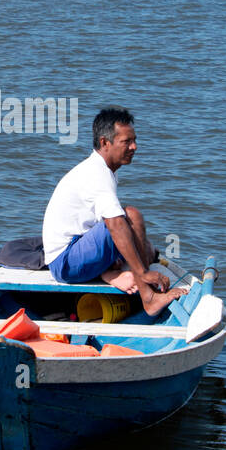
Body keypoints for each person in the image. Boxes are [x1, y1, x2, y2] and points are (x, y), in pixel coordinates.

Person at [41, 107, 187, 317]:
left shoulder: (102, 170)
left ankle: (126, 279)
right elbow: (116, 225)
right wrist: (143, 272)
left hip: (73, 253)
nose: (134, 147)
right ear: (104, 143)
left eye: (134, 140)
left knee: (143, 247)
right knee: (131, 216)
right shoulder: (97, 174)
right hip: (65, 263)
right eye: (126, 142)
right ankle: (149, 297)